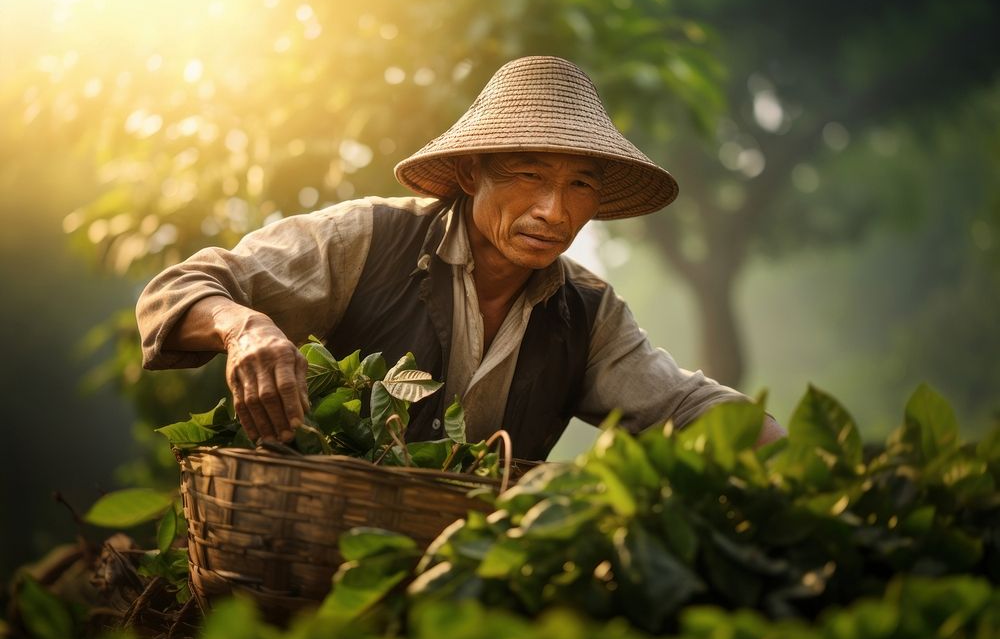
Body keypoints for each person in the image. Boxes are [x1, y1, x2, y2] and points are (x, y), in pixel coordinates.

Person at [136, 55, 785, 459]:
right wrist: (244, 329)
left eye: (579, 185)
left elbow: (686, 407)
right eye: (530, 175)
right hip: (314, 552)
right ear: (473, 174)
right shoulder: (367, 240)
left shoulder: (587, 312)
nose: (554, 211)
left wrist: (807, 462)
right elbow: (177, 290)